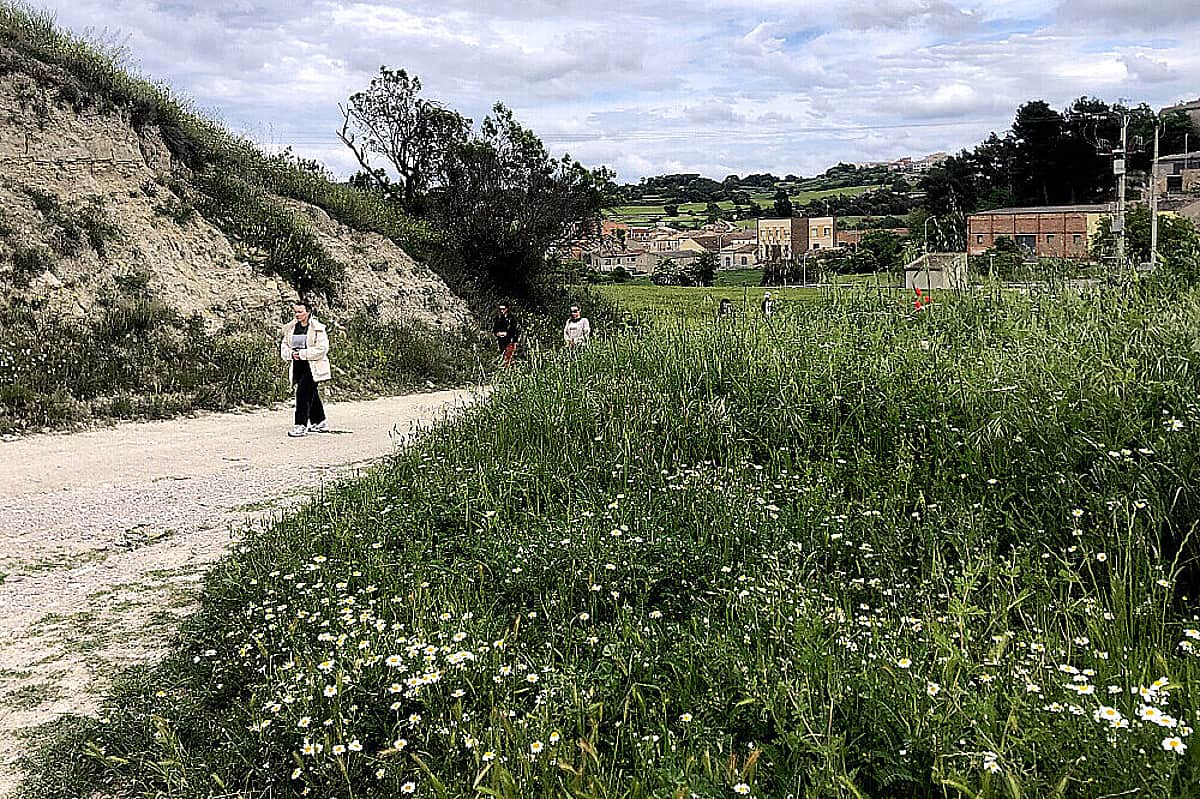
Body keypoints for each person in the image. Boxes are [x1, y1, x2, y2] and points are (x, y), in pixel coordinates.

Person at [279, 300, 331, 437]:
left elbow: (322, 349)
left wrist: (302, 354)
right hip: (297, 365)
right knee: (310, 393)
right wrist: (291, 354)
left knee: (302, 393)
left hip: (312, 365)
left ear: (308, 312)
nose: (297, 314)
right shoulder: (290, 328)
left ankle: (300, 425)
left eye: (300, 312)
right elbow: (284, 346)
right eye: (295, 311)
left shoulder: (318, 328)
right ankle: (320, 421)